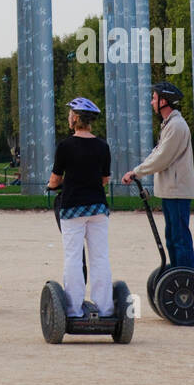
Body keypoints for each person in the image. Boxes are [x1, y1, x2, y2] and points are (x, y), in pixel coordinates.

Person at [48, 97, 113, 318]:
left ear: (76, 118)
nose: (68, 117)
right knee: (100, 257)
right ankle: (105, 308)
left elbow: (55, 179)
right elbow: (105, 179)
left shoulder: (65, 146)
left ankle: (74, 309)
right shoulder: (102, 146)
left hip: (72, 207)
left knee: (73, 258)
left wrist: (52, 185)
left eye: (70, 114)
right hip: (98, 208)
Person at [123, 81, 194, 269]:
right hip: (170, 190)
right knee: (172, 238)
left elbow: (162, 158)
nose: (151, 102)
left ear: (164, 101)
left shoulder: (177, 126)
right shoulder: (169, 125)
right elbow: (157, 152)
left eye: (154, 98)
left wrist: (137, 172)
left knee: (179, 238)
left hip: (177, 191)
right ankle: (176, 274)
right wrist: (137, 171)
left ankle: (186, 277)